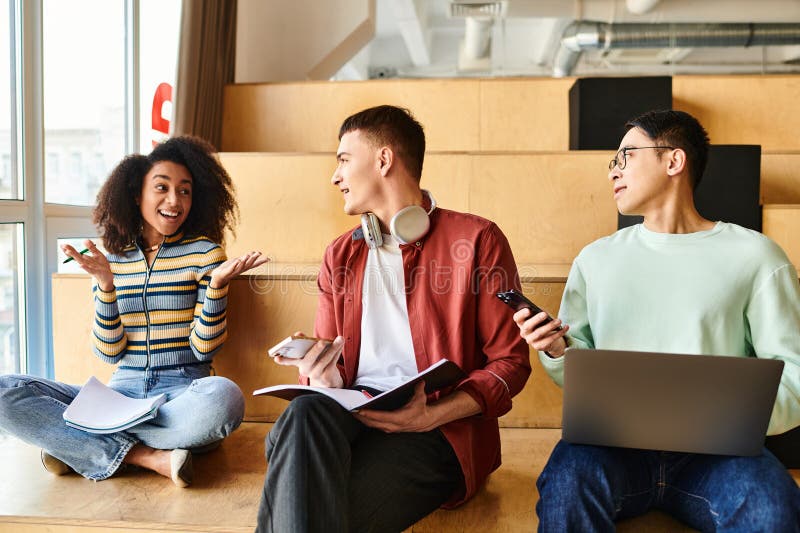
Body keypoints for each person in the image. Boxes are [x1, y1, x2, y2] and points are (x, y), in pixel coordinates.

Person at [514, 110, 800, 531]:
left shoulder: (756, 257)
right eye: (613, 162)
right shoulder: (596, 260)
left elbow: (794, 374)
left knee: (772, 507)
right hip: (611, 448)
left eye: (626, 155)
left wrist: (734, 418)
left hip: (721, 456)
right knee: (566, 484)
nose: (614, 171)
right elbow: (581, 372)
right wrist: (559, 351)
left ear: (673, 161)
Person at [256, 105, 531, 532]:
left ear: (383, 160)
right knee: (303, 415)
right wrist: (321, 376)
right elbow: (335, 372)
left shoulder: (478, 240)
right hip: (355, 413)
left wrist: (431, 416)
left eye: (344, 160)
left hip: (438, 429)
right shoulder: (339, 255)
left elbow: (510, 364)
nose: (335, 176)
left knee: (314, 507)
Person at [0, 136, 268, 487]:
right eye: (162, 187)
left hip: (182, 392)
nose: (175, 201)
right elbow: (110, 352)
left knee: (225, 400)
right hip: (118, 394)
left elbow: (205, 350)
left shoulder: (205, 253)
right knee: (6, 391)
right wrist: (106, 286)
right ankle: (146, 456)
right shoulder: (111, 259)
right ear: (136, 193)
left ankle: (83, 444)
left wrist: (217, 286)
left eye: (185, 191)